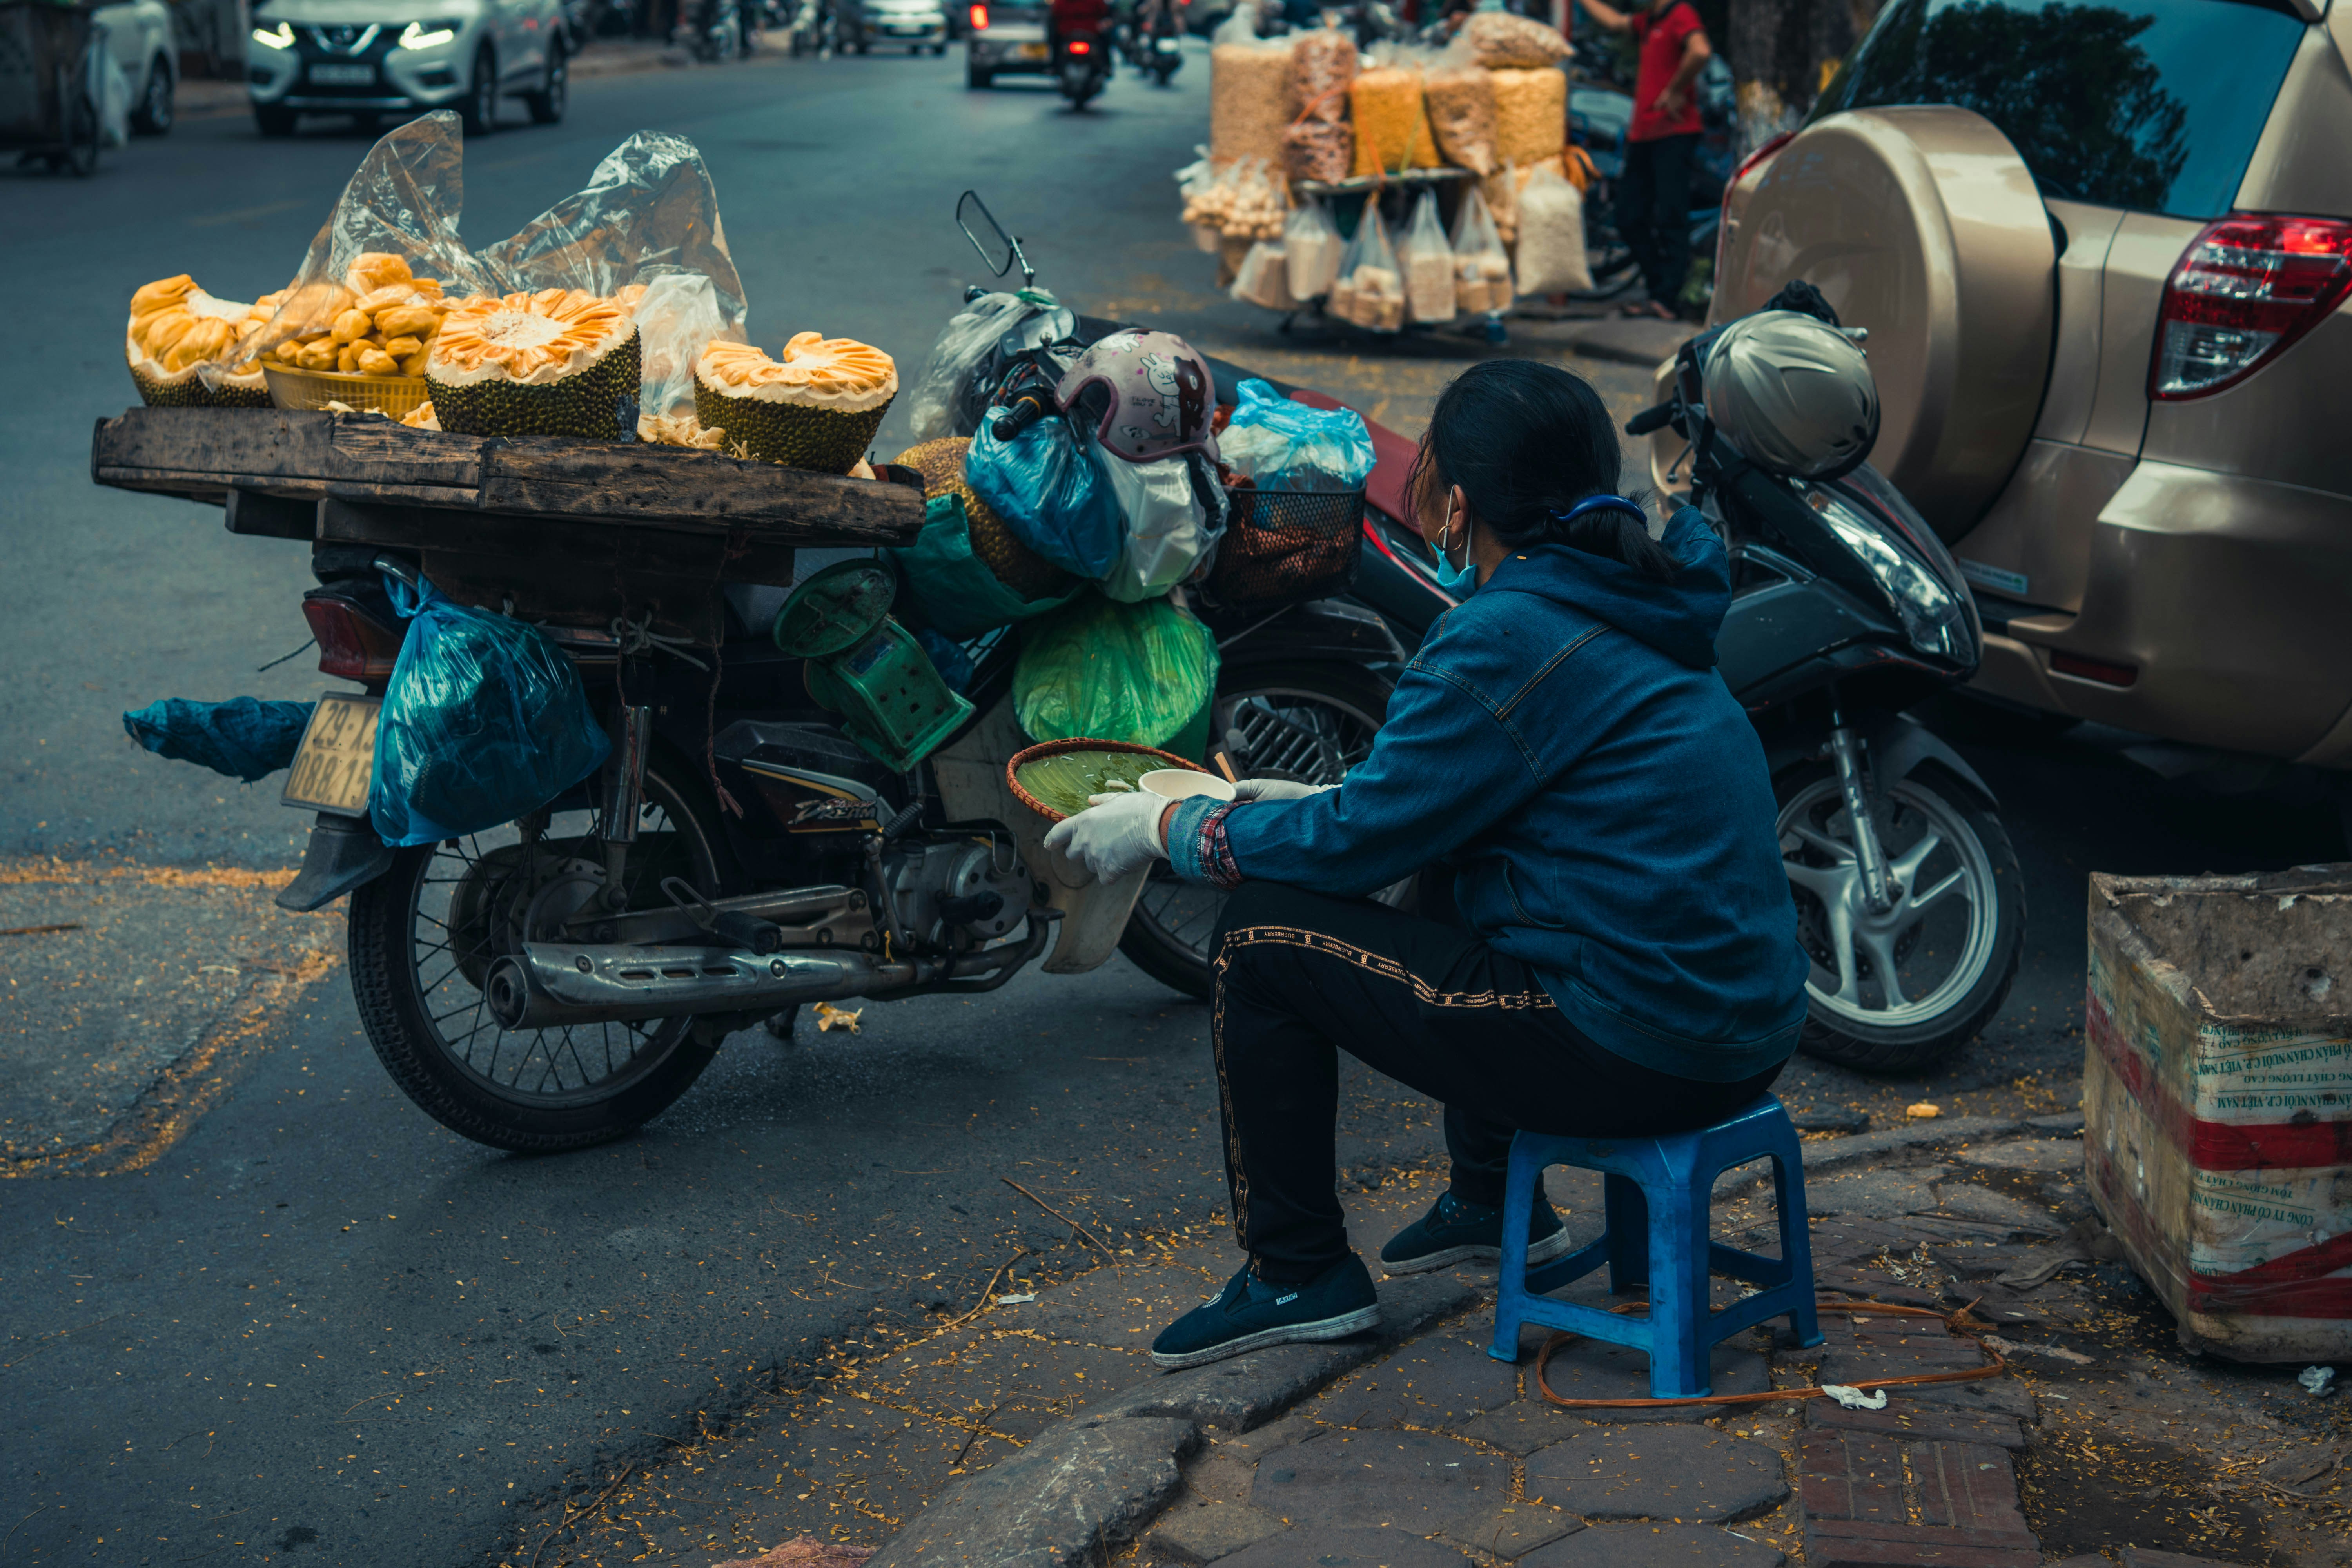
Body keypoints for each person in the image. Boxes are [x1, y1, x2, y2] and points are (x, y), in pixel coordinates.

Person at [1043, 360, 1807, 1369]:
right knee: (1452, 865)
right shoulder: (1638, 592)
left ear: (1457, 502)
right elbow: (1420, 812)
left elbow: (1359, 844)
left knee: (1261, 940)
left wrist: (1168, 831)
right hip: (1746, 1027)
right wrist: (1284, 806)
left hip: (1642, 1043)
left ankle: (1296, 1271)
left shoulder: (1502, 635)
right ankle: (1495, 1200)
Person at [1576, 0, 1712, 319]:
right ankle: (1659, 290)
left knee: (1670, 216)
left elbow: (1701, 51)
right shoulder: (1649, 21)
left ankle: (1666, 298)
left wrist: (1675, 89)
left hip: (1674, 132)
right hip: (1644, 134)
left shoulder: (1681, 14)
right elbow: (1614, 22)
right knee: (1629, 216)